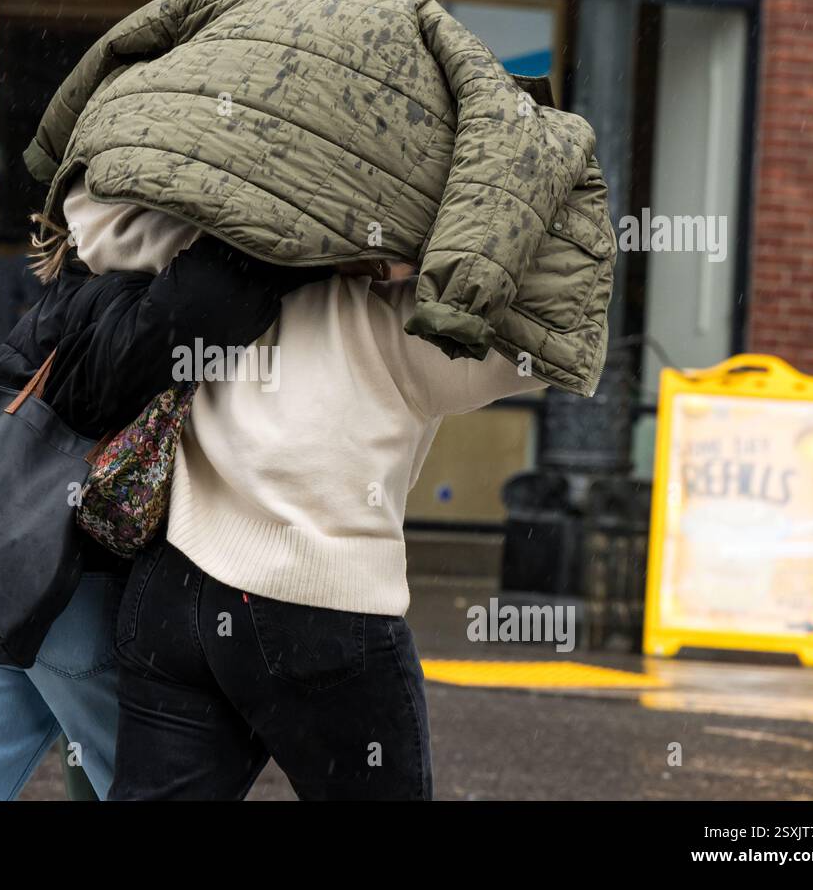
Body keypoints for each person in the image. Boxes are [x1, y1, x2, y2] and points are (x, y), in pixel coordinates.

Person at [0, 180, 316, 800]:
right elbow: (199, 311)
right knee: (154, 788)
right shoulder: (140, 297)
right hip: (68, 581)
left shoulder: (76, 278)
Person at [109, 261, 546, 800]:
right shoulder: (403, 321)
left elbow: (107, 229)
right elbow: (543, 339)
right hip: (319, 606)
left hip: (174, 580)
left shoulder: (228, 263)